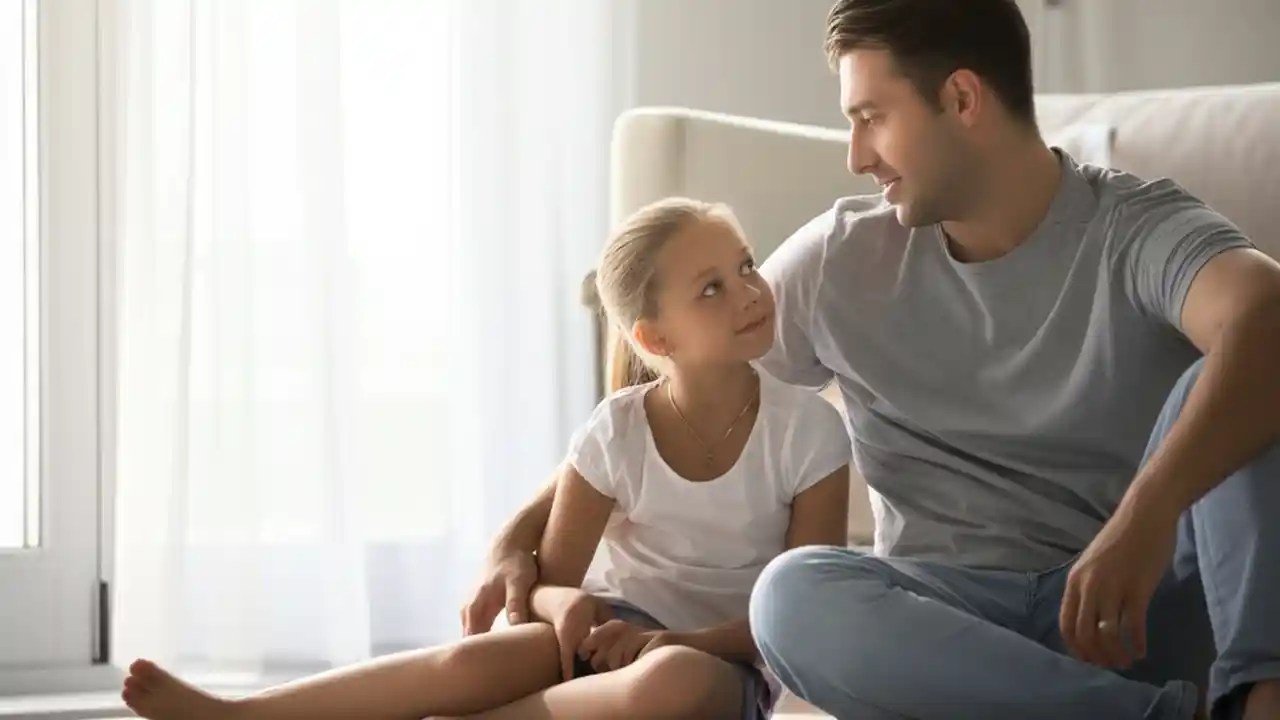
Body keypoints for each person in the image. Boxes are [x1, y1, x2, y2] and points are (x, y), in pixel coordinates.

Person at [467, 2, 1280, 719]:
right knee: (794, 595)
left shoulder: (1136, 230)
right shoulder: (842, 259)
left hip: (1138, 609)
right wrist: (519, 535)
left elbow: (1267, 314)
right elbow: (677, 397)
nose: (857, 154)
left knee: (1248, 368)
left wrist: (1144, 517)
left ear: (962, 99)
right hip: (946, 638)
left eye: (871, 117)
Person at [120, 197, 852, 720]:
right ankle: (243, 716)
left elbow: (796, 618)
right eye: (712, 288)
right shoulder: (615, 432)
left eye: (746, 266)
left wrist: (671, 639)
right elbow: (544, 592)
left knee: (671, 687)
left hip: (717, 658)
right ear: (656, 340)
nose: (752, 291)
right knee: (469, 662)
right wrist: (565, 604)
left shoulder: (809, 435)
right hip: (604, 634)